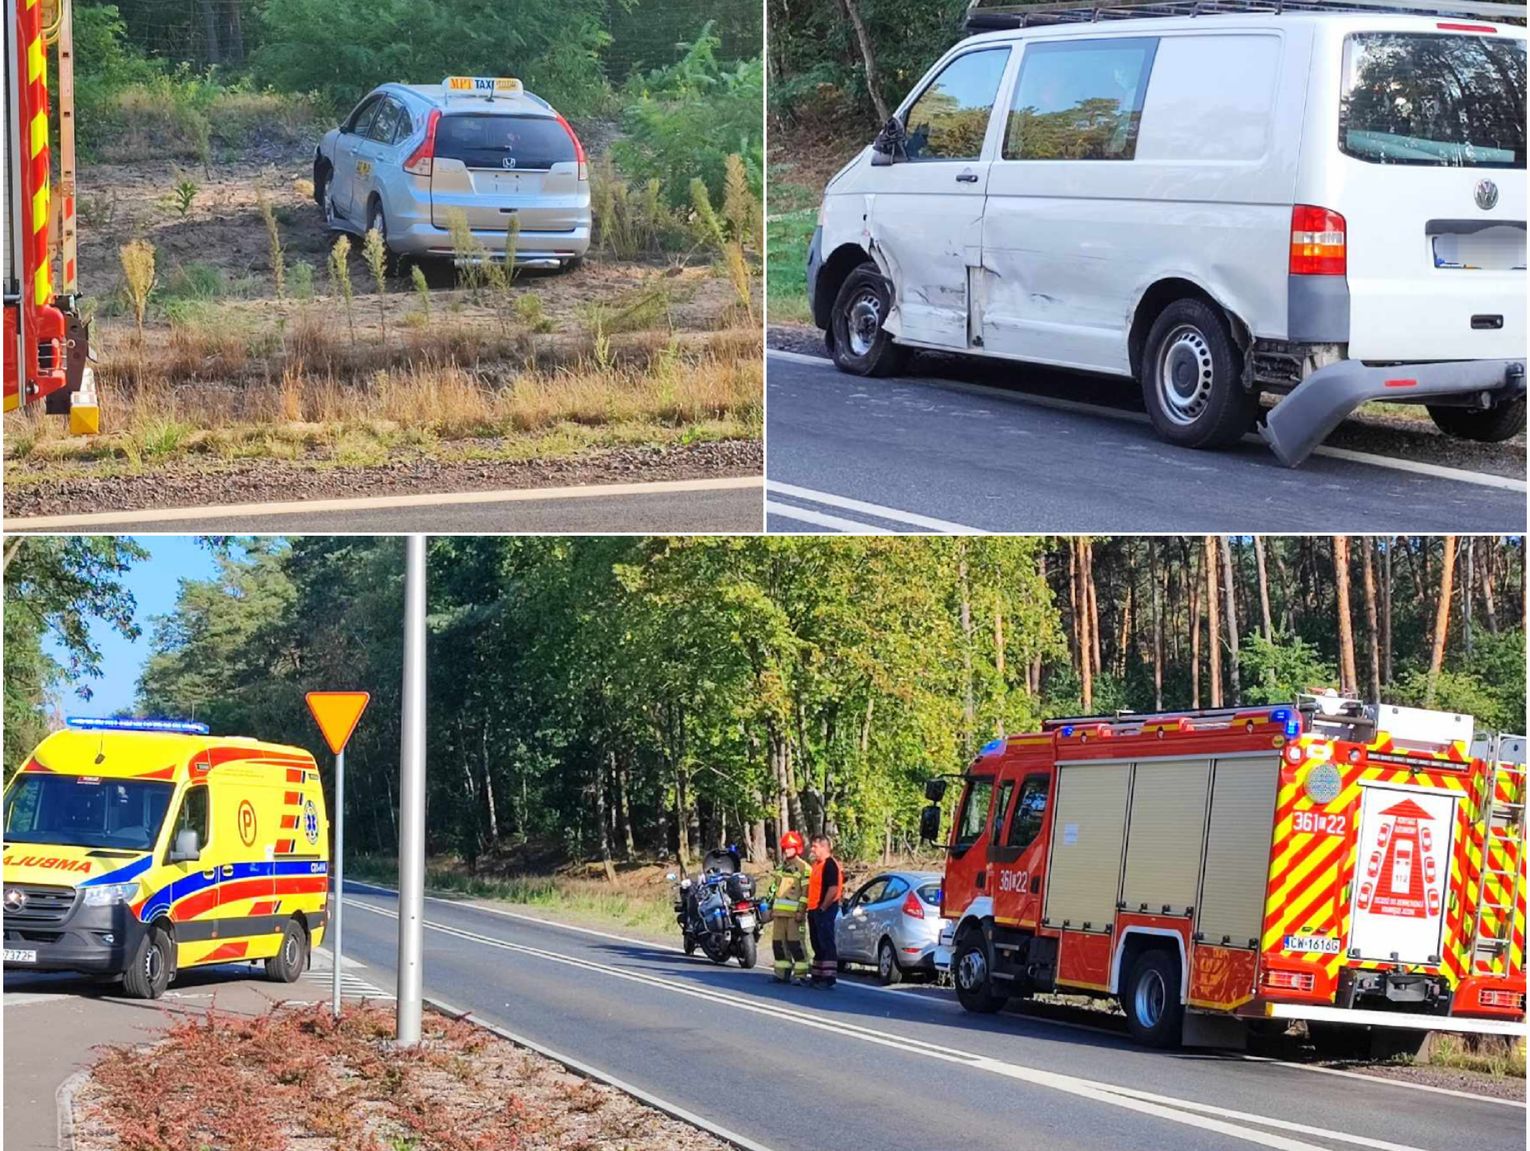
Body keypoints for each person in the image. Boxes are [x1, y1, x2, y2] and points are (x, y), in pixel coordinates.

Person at [767, 830, 811, 984]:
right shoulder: (781, 867)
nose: (786, 851)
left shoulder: (804, 868)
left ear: (797, 848)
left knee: (796, 944)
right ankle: (781, 973)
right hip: (779, 913)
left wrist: (801, 911)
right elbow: (775, 888)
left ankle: (801, 975)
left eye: (790, 848)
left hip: (794, 915)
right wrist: (771, 906)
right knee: (778, 944)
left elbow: (806, 892)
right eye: (785, 848)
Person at [806, 833, 843, 988]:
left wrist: (823, 907)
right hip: (814, 908)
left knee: (826, 942)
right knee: (816, 942)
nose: (812, 849)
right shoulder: (816, 865)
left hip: (824, 909)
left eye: (814, 846)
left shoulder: (830, 864)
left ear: (823, 847)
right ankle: (817, 976)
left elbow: (833, 889)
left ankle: (828, 978)